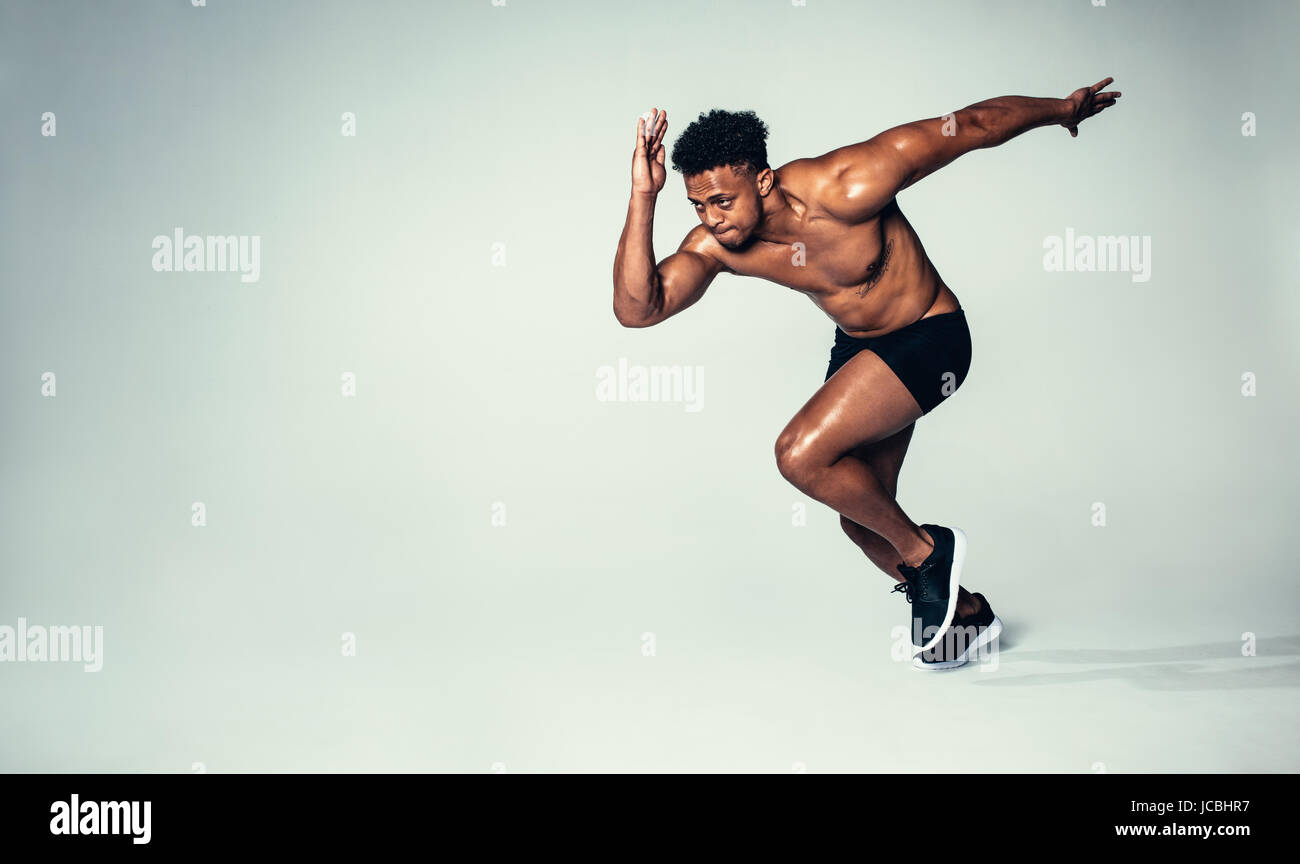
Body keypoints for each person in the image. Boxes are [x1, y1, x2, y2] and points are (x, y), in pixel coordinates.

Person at [611, 80, 1120, 669]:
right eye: (699, 205)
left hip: (933, 338)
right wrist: (642, 195)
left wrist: (1061, 110)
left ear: (764, 179)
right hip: (861, 351)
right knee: (863, 518)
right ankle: (969, 616)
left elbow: (970, 127)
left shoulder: (848, 183)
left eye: (723, 200)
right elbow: (637, 310)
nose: (713, 219)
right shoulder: (717, 247)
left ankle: (930, 555)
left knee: (799, 454)